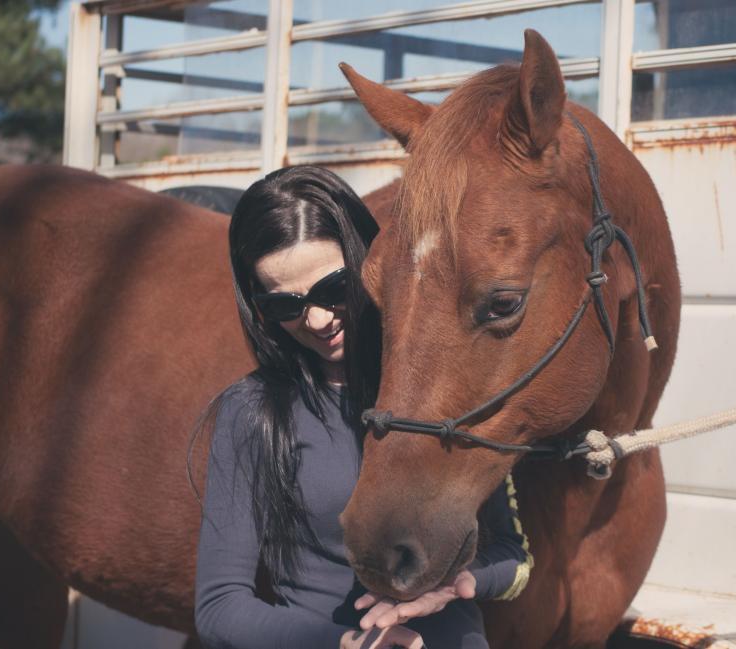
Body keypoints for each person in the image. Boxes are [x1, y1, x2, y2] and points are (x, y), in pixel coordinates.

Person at [194, 166, 531, 649]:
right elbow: (219, 606)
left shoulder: (443, 386)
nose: (314, 319)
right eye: (283, 306)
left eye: (331, 290)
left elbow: (512, 554)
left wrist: (457, 584)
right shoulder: (251, 410)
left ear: (367, 260)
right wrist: (344, 644)